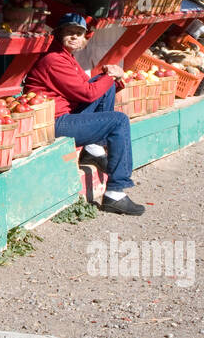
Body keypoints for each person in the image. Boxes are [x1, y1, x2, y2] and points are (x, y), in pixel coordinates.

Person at [22, 14, 145, 215]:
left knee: (103, 84)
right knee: (119, 121)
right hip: (53, 123)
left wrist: (113, 79)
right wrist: (112, 75)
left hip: (66, 115)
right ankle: (115, 193)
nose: (74, 37)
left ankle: (93, 147)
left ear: (85, 38)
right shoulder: (53, 59)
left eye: (79, 34)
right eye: (69, 32)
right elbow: (87, 94)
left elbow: (89, 88)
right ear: (58, 34)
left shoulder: (66, 57)